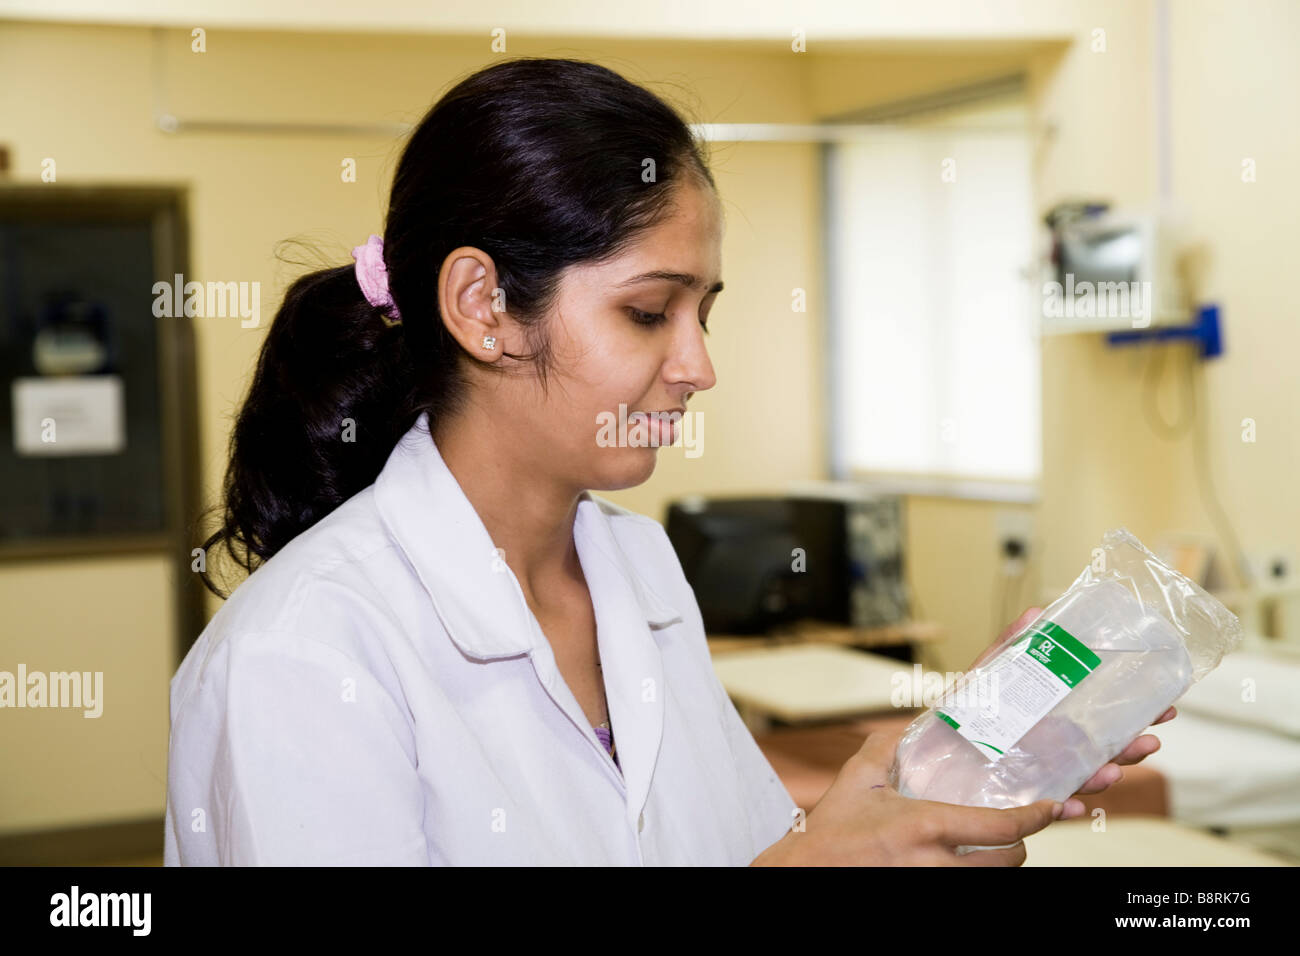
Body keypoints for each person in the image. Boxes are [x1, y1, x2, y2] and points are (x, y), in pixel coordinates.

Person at [164, 56, 1169, 866]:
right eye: (648, 312)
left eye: (704, 312)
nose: (697, 367)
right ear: (482, 308)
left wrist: (933, 771)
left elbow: (748, 849)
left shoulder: (636, 569)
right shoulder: (304, 654)